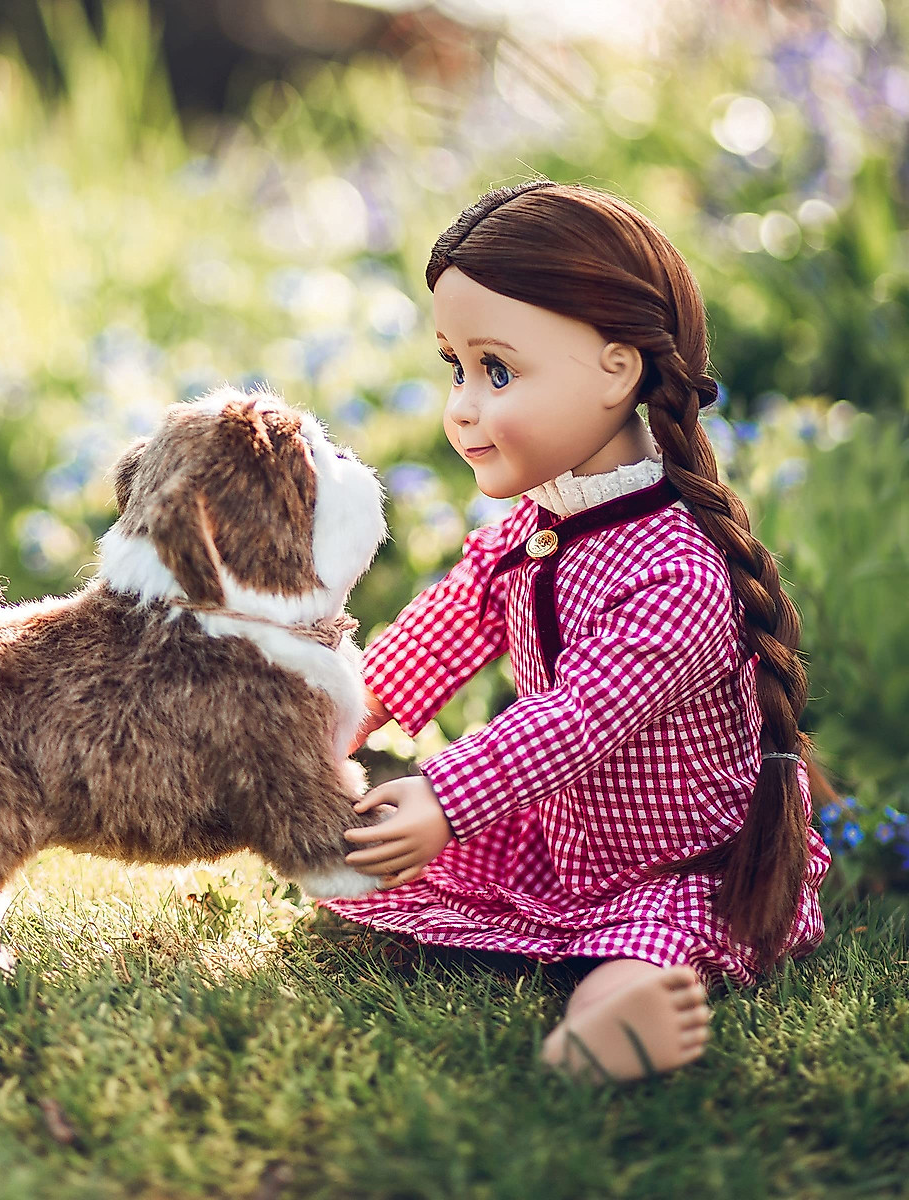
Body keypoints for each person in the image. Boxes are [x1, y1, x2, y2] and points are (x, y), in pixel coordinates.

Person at [323, 179, 832, 1082]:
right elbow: (444, 627)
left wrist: (445, 797)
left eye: (499, 371)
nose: (465, 406)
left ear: (618, 367)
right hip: (563, 833)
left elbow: (579, 720)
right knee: (367, 871)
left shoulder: (676, 572)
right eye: (457, 367)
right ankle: (583, 960)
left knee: (641, 946)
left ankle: (616, 1020)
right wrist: (340, 716)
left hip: (681, 856)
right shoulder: (539, 528)